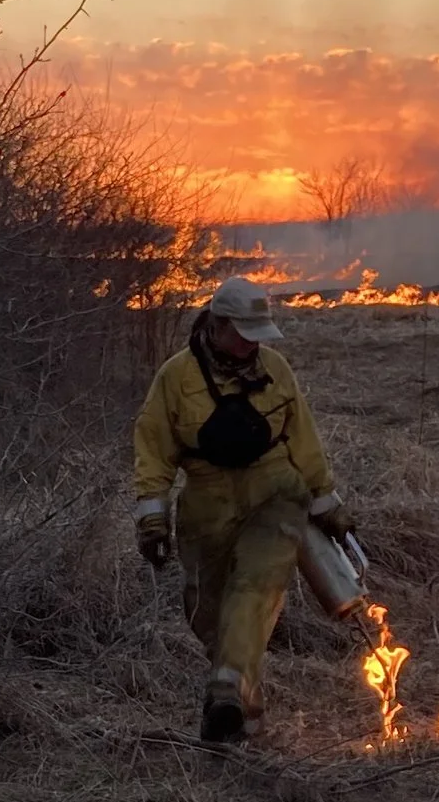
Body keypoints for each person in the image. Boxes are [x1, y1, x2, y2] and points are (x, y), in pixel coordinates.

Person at [131, 276, 357, 744]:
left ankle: (226, 690)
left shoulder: (275, 369)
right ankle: (240, 715)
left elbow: (304, 439)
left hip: (276, 496)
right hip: (206, 504)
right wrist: (153, 517)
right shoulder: (177, 378)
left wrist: (326, 503)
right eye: (244, 333)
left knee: (254, 588)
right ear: (218, 326)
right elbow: (153, 448)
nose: (253, 344)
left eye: (259, 334)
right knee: (208, 614)